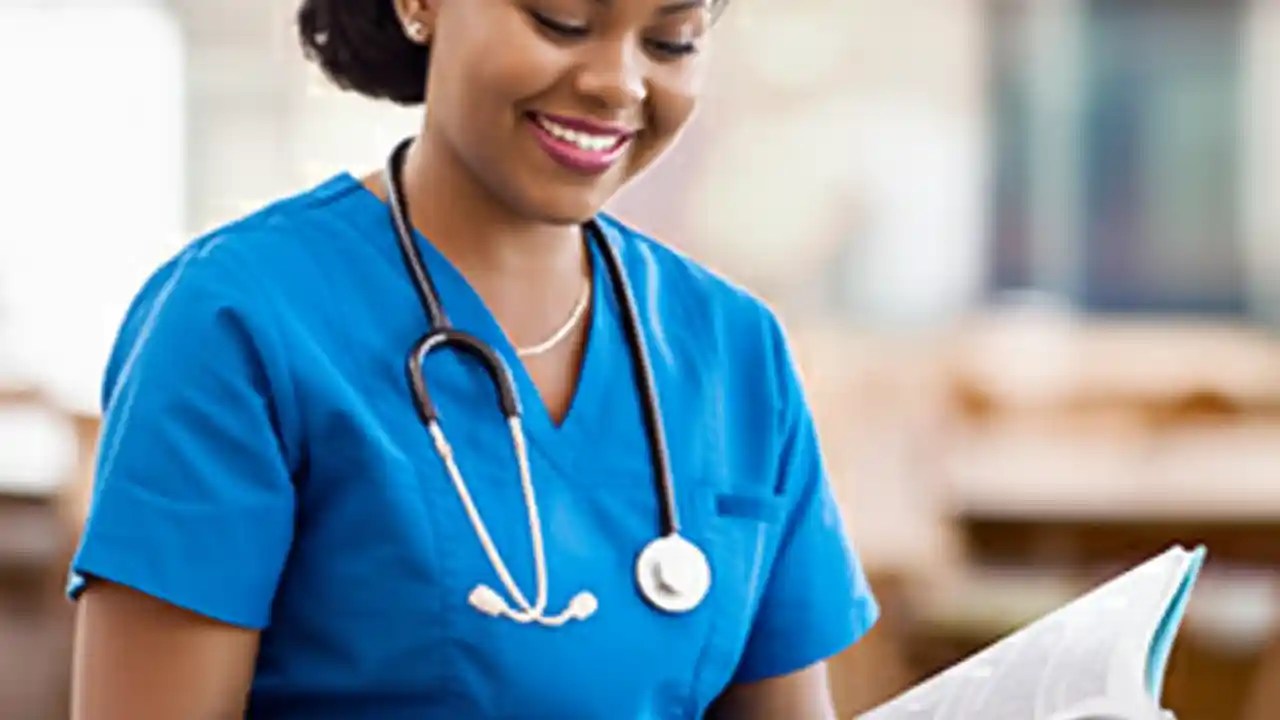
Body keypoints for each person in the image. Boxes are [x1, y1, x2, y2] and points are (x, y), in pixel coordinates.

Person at [67, 0, 880, 717]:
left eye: (671, 40)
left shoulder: (736, 351)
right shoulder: (238, 320)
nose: (618, 84)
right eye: (562, 21)